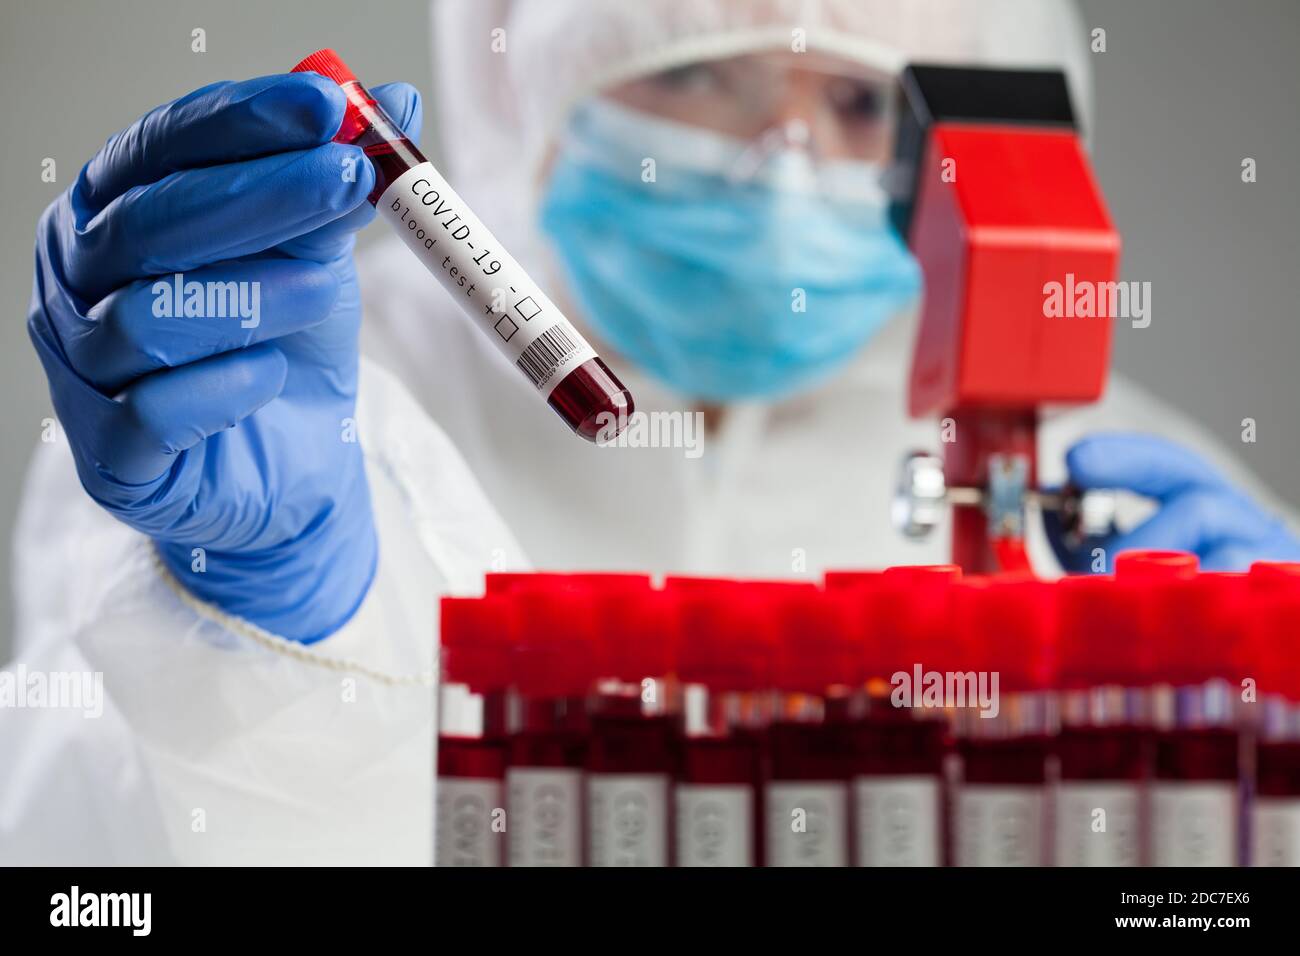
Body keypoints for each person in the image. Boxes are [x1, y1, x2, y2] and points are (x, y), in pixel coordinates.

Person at [3, 0, 1296, 864]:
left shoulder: (1111, 471)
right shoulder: (282, 381)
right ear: (528, 73)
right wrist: (260, 640)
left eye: (856, 107)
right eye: (697, 75)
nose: (781, 167)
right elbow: (83, 849)